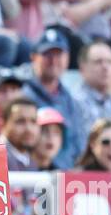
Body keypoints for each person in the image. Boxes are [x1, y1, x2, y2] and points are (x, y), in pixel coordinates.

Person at [21, 27, 86, 168]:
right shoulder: (23, 96)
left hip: (69, 176)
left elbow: (79, 143)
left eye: (59, 55)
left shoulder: (71, 101)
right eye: (47, 55)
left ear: (68, 58)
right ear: (33, 57)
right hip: (34, 175)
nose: (53, 61)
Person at [74, 41, 111, 142]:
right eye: (98, 62)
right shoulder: (75, 103)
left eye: (110, 62)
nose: (105, 67)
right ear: (82, 69)